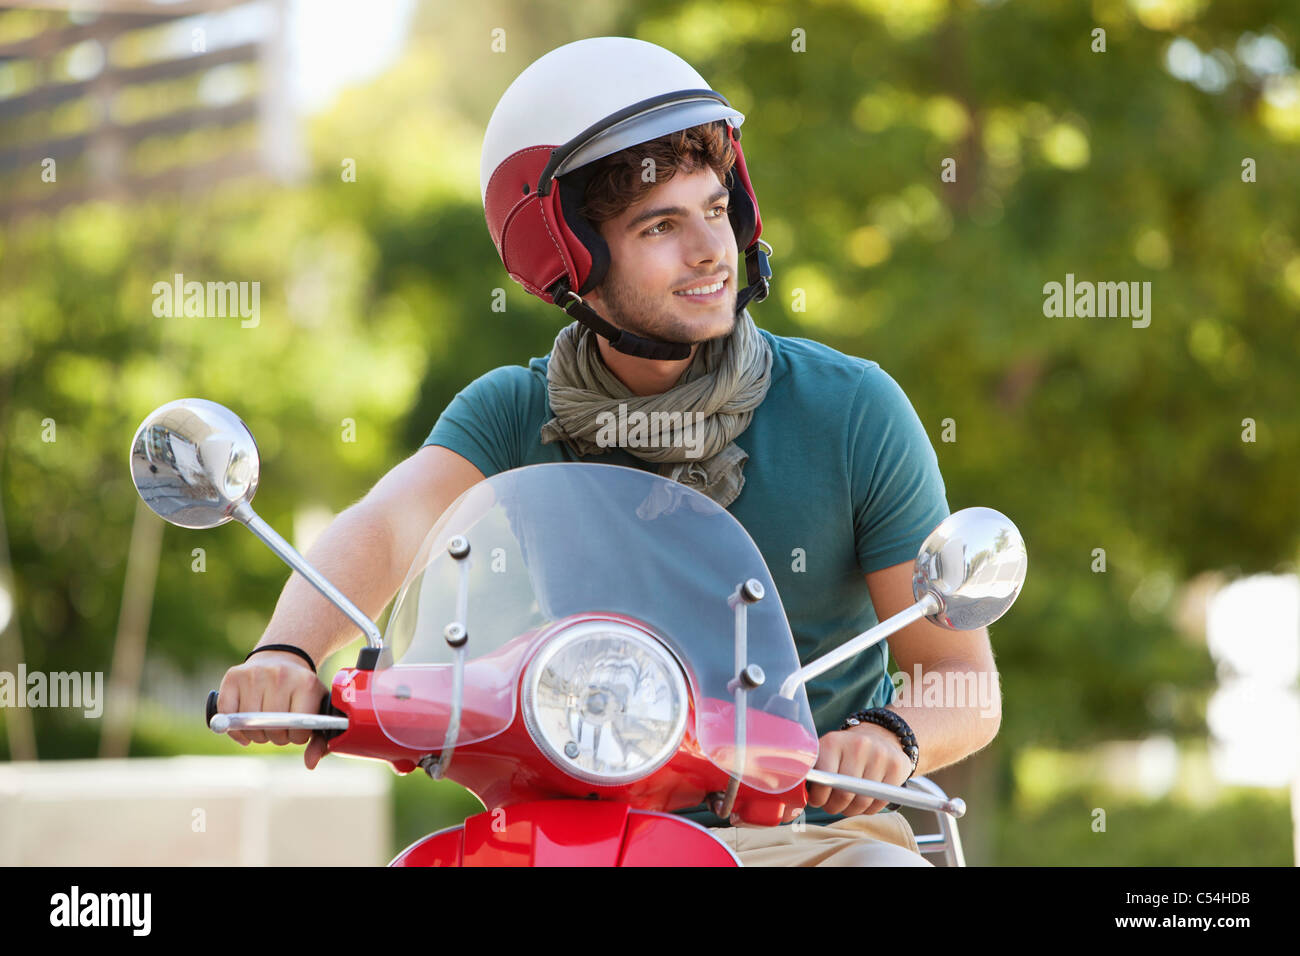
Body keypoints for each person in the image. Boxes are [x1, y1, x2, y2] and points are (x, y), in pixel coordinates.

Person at [217, 36, 1001, 867]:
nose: (710, 251)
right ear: (569, 259)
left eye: (714, 210)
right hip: (567, 832)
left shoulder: (852, 410)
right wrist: (288, 651)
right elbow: (389, 525)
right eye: (662, 225)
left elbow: (963, 679)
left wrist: (892, 733)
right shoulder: (512, 414)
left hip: (809, 835)